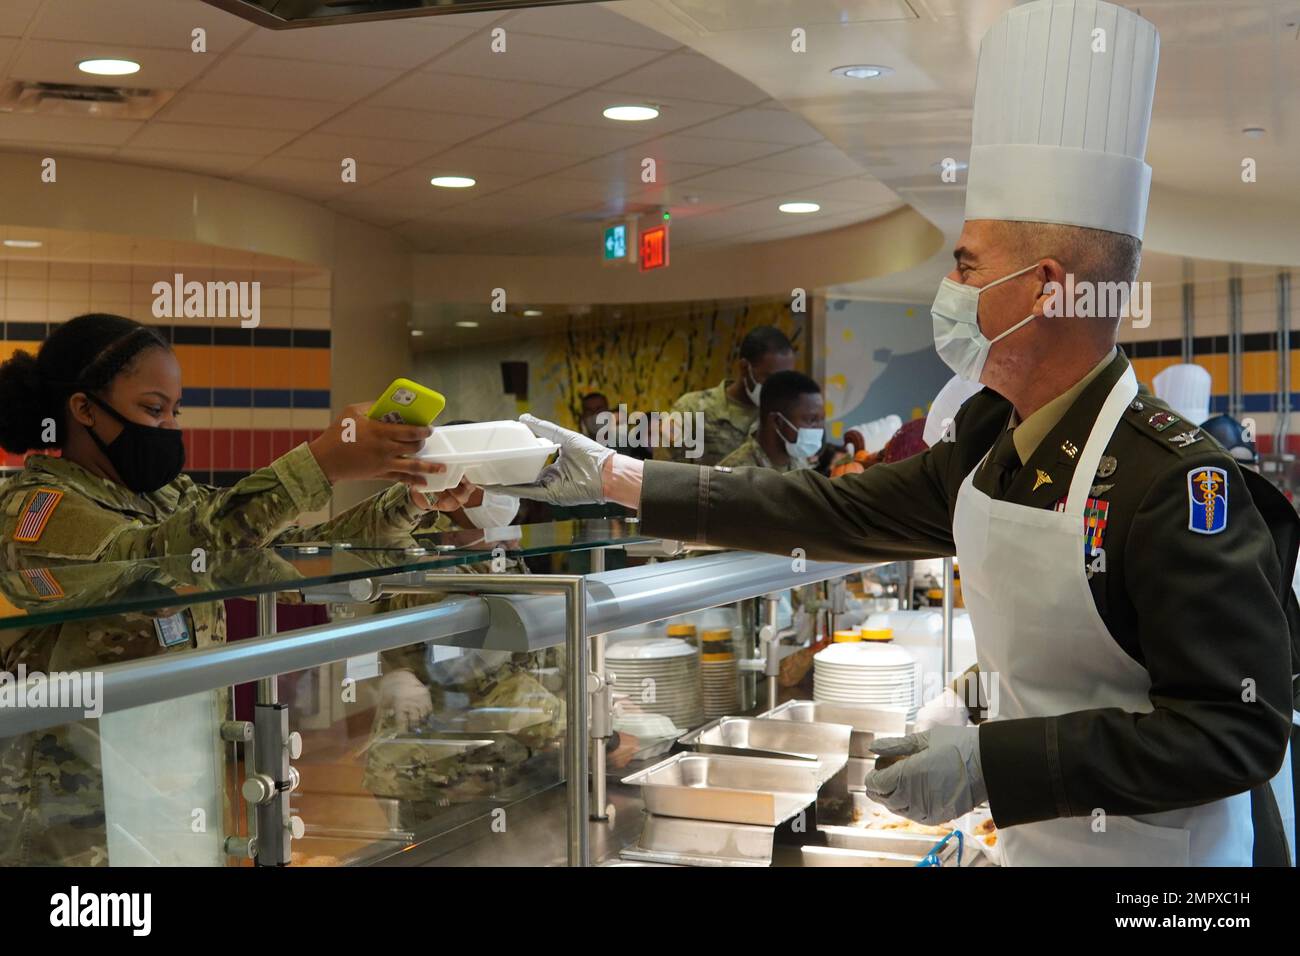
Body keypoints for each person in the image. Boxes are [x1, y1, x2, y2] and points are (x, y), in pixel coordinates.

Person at [498, 0, 1298, 867]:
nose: (948, 287)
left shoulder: (1174, 482)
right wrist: (620, 478)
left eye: (966, 264)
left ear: (1045, 288)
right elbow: (830, 514)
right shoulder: (995, 440)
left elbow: (1235, 731)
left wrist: (997, 761)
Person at [0, 313, 478, 865]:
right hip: (73, 812)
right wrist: (319, 464)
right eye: (153, 410)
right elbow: (152, 557)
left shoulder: (165, 496)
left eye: (175, 411)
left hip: (174, 785)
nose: (168, 427)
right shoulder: (36, 509)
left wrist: (410, 502)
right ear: (83, 409)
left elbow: (283, 552)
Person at [662, 325, 796, 465]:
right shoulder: (691, 409)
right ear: (744, 368)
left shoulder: (783, 418)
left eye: (786, 379)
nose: (779, 387)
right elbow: (668, 476)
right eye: (770, 378)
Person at [719, 370, 823, 473]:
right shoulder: (734, 475)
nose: (819, 428)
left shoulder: (802, 464)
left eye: (821, 419)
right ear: (777, 421)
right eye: (812, 420)